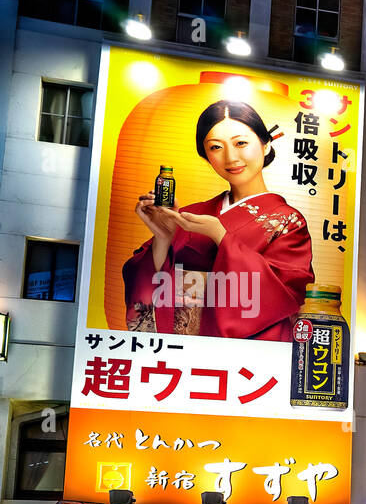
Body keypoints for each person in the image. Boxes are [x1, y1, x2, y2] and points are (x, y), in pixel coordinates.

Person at [124, 99, 314, 341]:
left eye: (241, 143)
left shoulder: (288, 222)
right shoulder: (189, 214)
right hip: (178, 349)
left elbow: (287, 295)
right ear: (206, 156)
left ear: (265, 145)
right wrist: (163, 238)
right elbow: (141, 288)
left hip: (247, 356)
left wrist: (221, 237)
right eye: (215, 147)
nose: (231, 157)